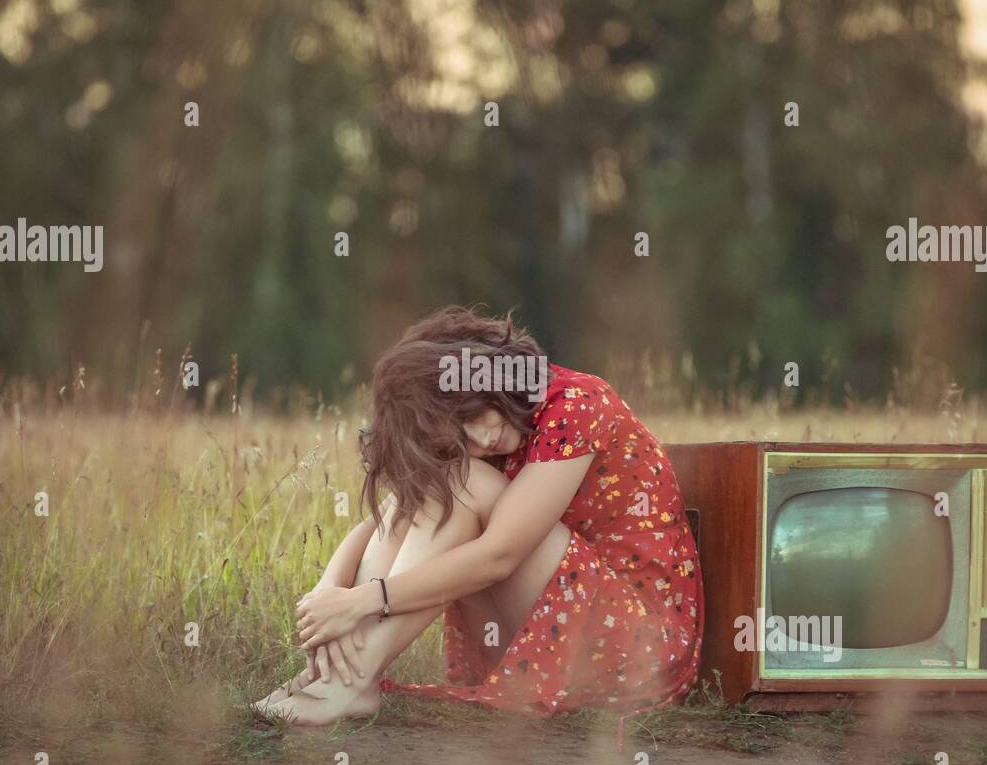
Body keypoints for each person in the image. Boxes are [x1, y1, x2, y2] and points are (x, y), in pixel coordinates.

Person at [252, 306, 703, 726]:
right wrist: (328, 591)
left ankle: (350, 681)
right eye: (459, 438)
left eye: (470, 416)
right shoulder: (491, 431)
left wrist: (362, 601)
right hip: (551, 627)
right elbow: (386, 518)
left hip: (633, 647)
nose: (481, 440)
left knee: (460, 483)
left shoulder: (577, 404)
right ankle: (347, 677)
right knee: (435, 483)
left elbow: (499, 556)